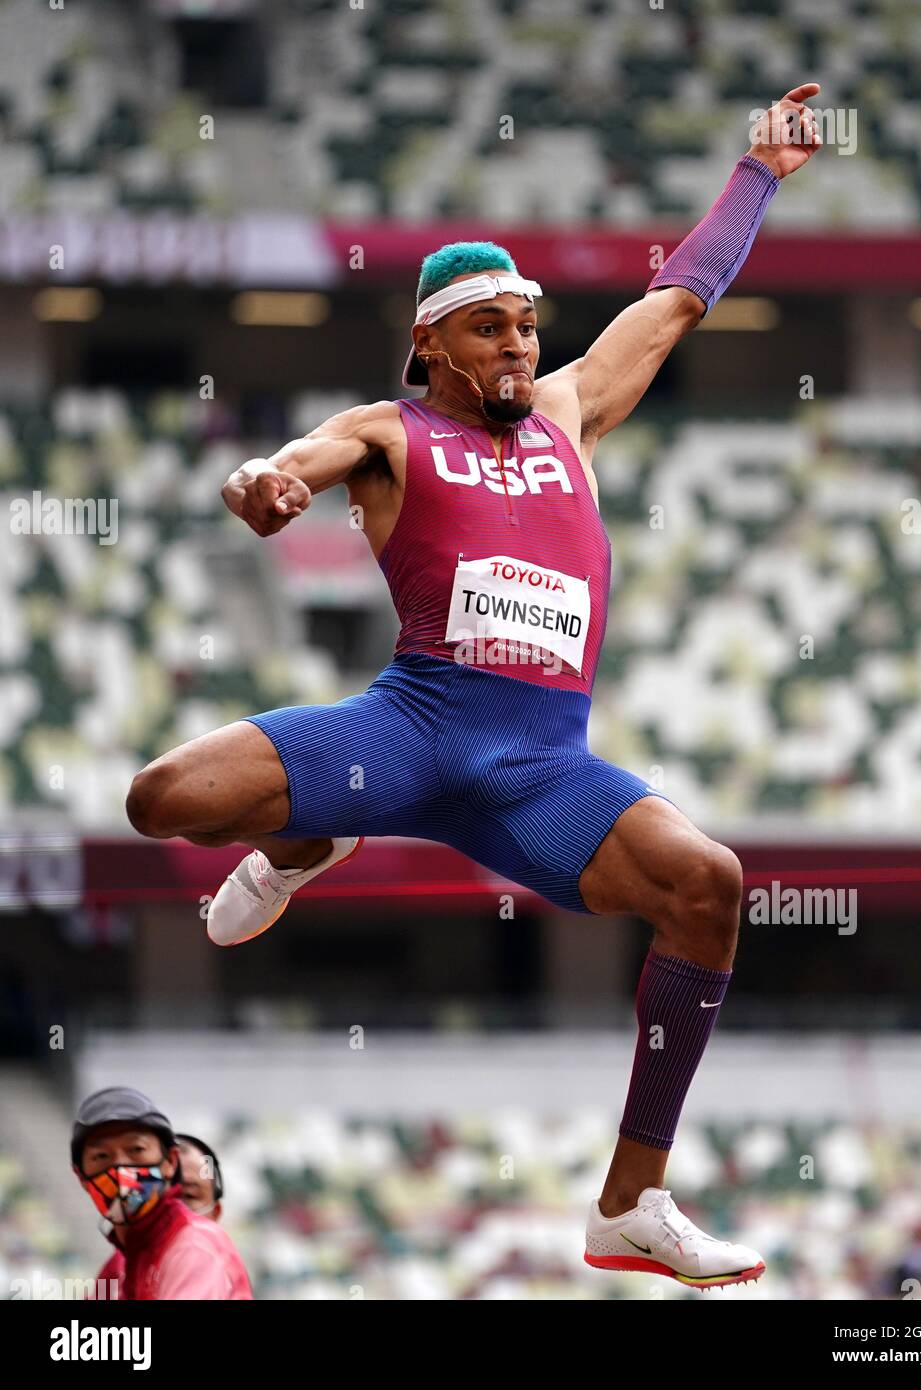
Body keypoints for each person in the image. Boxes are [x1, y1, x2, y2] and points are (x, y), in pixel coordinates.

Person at [125, 86, 821, 1289]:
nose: (518, 346)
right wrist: (268, 484)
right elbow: (298, 461)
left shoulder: (568, 414)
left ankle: (628, 1205)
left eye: (527, 325)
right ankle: (304, 842)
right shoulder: (388, 430)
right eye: (489, 329)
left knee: (711, 883)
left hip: (541, 763)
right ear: (429, 346)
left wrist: (757, 171)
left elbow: (677, 300)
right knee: (160, 797)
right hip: (412, 726)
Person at [71, 1087, 251, 1300]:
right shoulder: (124, 1264)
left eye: (136, 1149)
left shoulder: (194, 1246)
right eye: (101, 1156)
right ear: (81, 1177)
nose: (121, 1169)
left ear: (170, 1163)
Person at [91, 1130, 227, 1296]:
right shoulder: (117, 1270)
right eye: (158, 1194)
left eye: (187, 1196)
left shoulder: (224, 1278)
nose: (172, 1209)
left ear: (215, 1213)